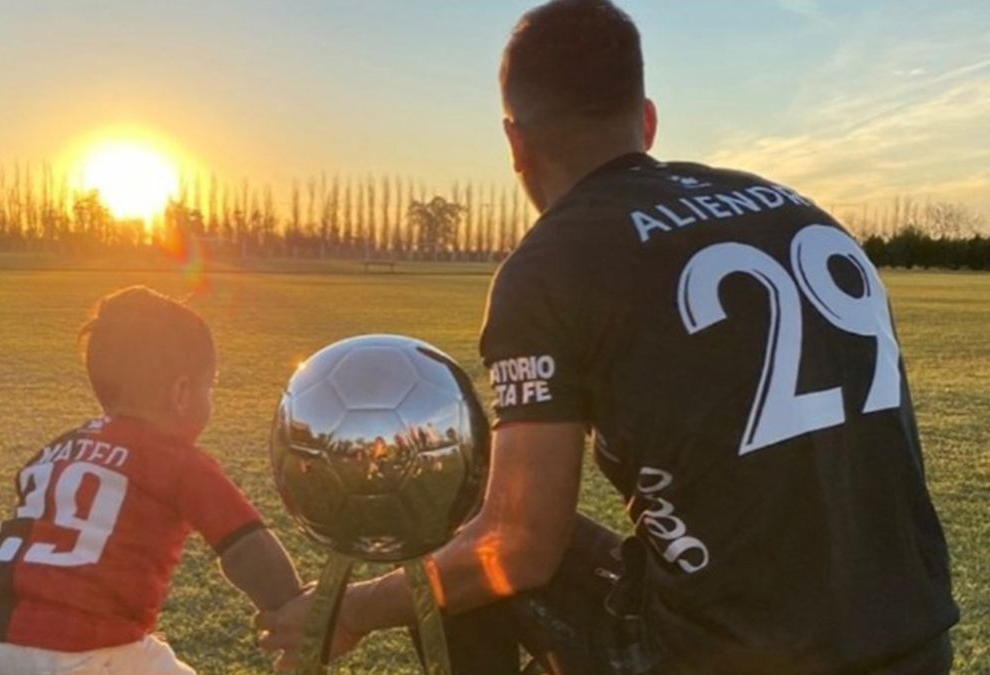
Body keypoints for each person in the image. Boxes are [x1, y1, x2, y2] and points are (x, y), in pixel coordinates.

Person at [256, 1, 959, 673]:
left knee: (465, 528)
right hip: (914, 639)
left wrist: (360, 608)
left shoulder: (552, 261)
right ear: (647, 121)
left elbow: (520, 545)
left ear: (515, 142)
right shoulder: (796, 208)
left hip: (729, 657)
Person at [0, 286, 302, 675]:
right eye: (208, 387)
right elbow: (245, 547)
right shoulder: (175, 460)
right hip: (86, 645)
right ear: (181, 394)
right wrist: (293, 608)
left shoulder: (59, 448)